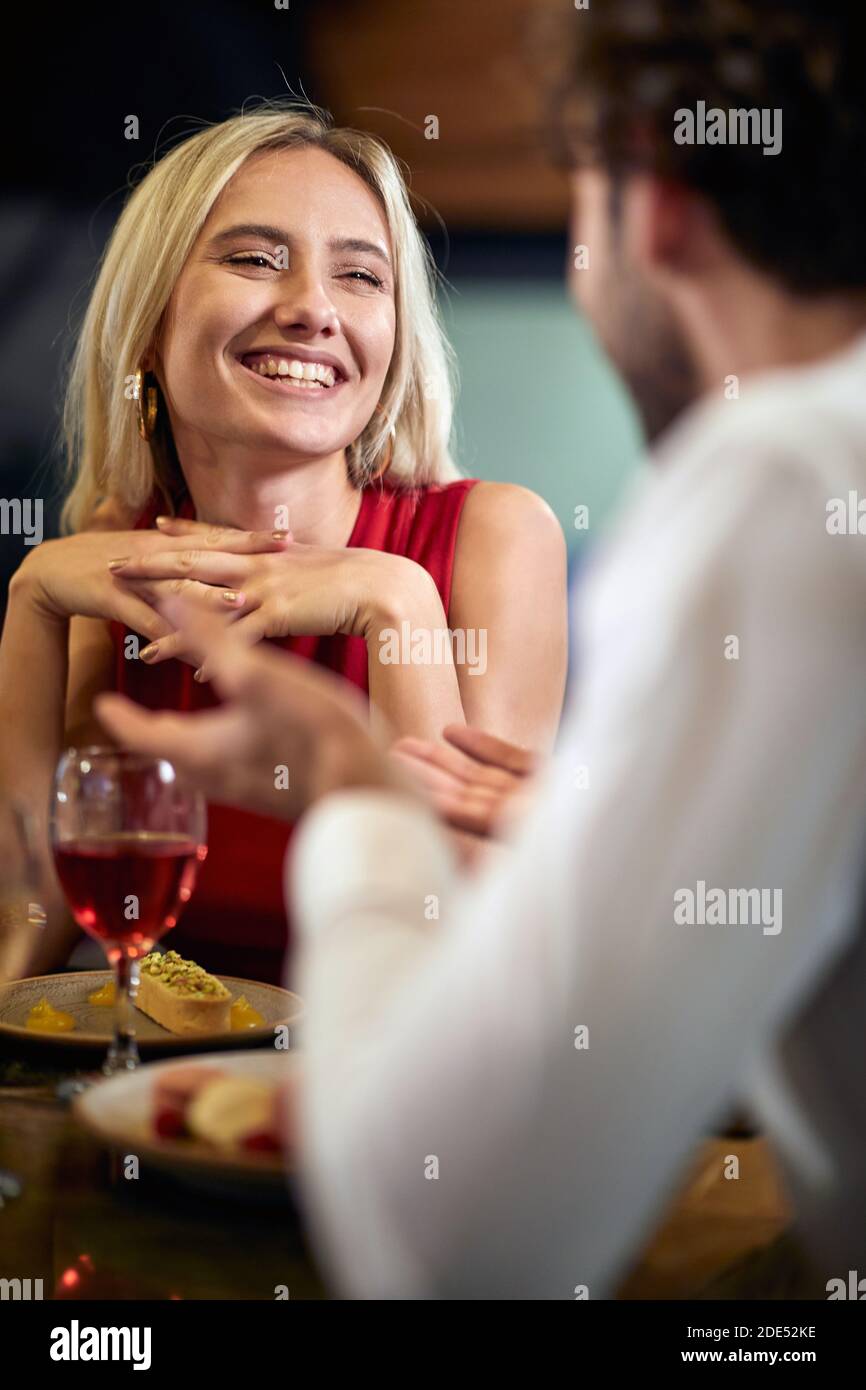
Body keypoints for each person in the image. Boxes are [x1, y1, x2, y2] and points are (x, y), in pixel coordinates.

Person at [97, 0, 866, 1297]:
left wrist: (353, 795)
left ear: (651, 200)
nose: (313, 311)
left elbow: (457, 1240)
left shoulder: (788, 483)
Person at [0, 103, 567, 983]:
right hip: (179, 1097)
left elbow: (468, 949)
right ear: (149, 324)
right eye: (256, 260)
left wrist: (397, 601)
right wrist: (31, 598)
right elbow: (32, 921)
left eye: (360, 278)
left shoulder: (497, 537)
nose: (312, 310)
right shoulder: (116, 552)